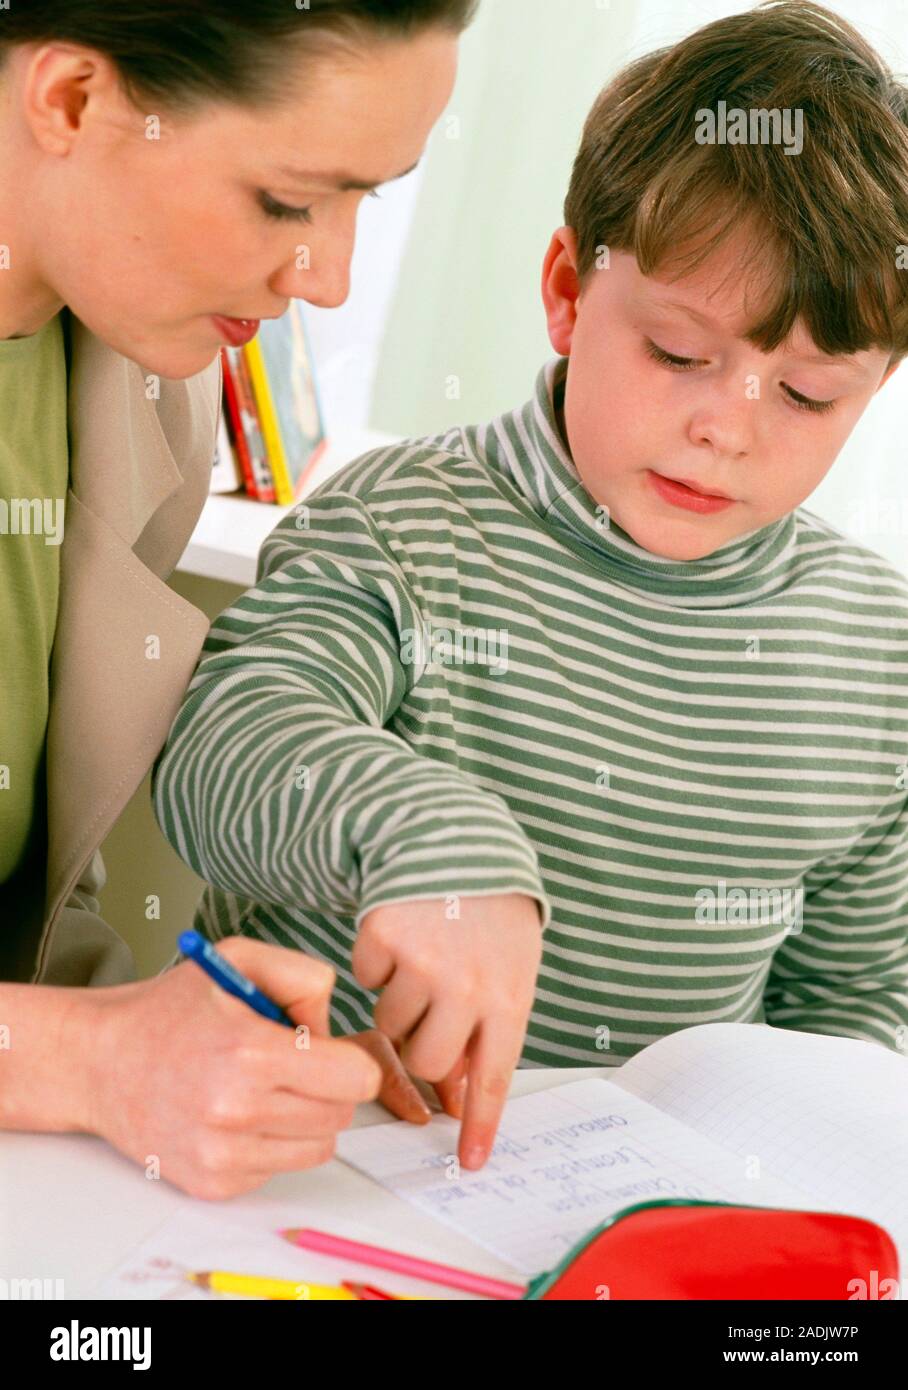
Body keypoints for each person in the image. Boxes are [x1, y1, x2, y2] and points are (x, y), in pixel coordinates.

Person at [153, 0, 908, 1177]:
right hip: (309, 1173)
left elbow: (853, 1011)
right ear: (566, 289)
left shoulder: (874, 653)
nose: (725, 429)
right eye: (675, 354)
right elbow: (216, 752)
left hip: (636, 1229)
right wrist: (429, 830)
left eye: (808, 396)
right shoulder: (398, 525)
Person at [0, 0, 479, 1200]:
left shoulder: (137, 375)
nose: (330, 279)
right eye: (287, 200)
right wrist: (87, 1060)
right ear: (70, 99)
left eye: (370, 197)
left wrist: (219, 1057)